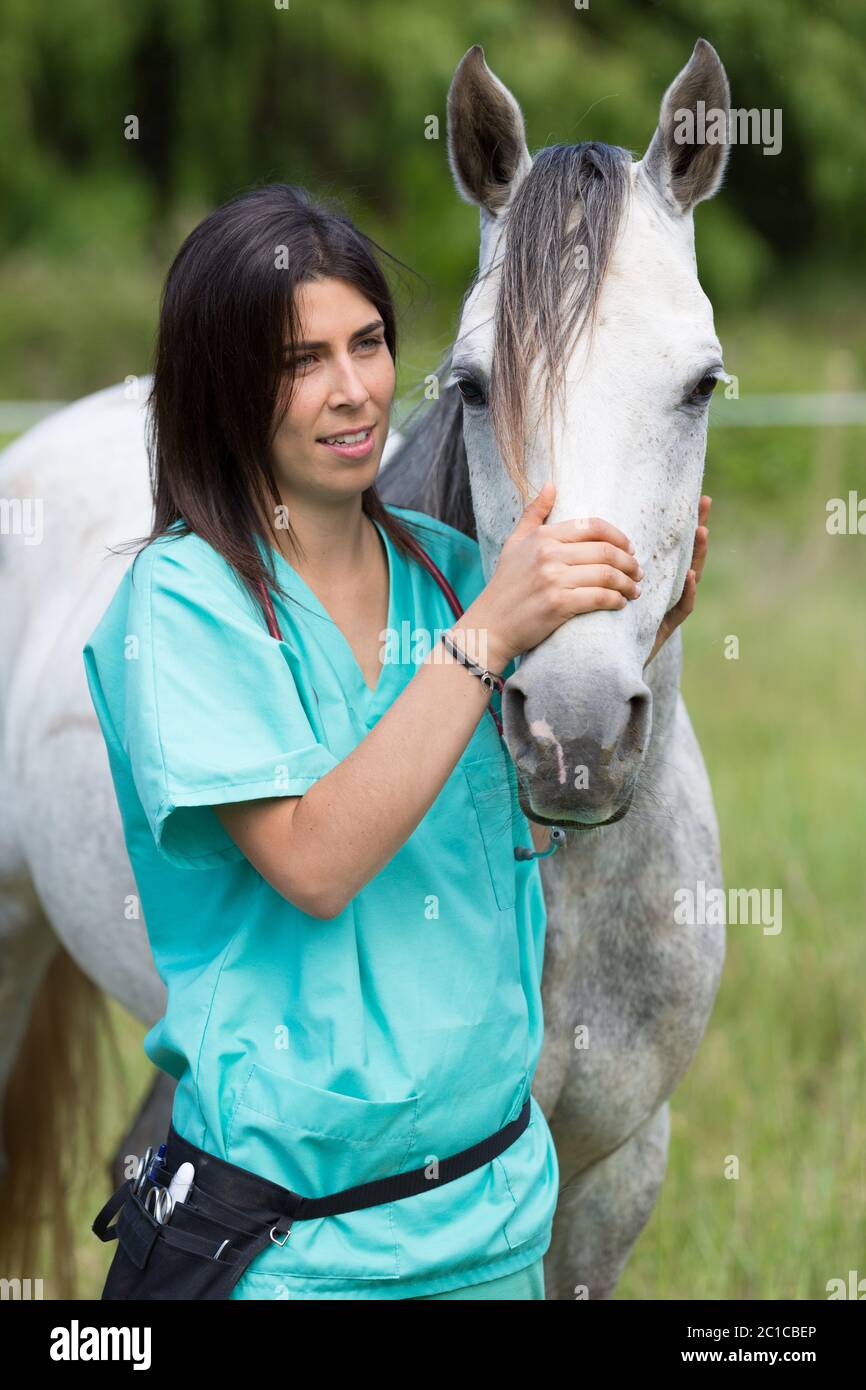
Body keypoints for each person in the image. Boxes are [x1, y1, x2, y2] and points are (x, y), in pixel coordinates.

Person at [83, 182, 709, 1301]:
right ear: (221, 384)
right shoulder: (183, 607)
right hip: (301, 1256)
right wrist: (487, 634)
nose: (352, 390)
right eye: (297, 358)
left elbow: (561, 746)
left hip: (493, 1234)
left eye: (367, 343)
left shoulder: (455, 574)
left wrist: (639, 618)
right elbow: (314, 863)